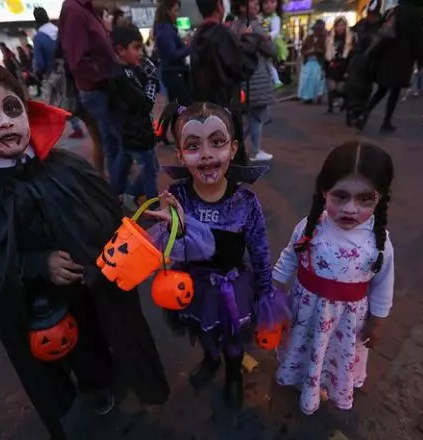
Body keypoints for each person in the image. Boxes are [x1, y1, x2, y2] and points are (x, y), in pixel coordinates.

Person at [0, 58, 169, 440]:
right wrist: (37, 263)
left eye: (11, 108)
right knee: (80, 348)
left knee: (110, 329)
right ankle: (95, 385)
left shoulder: (66, 165)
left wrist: (143, 216)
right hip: (53, 302)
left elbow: (105, 208)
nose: (5, 122)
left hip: (98, 280)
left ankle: (118, 370)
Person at [148, 102, 286, 409]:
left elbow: (260, 250)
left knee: (234, 341)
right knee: (205, 332)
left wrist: (265, 293)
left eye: (217, 142)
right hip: (193, 287)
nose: (207, 154)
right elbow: (165, 251)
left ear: (234, 148)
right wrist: (174, 228)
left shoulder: (245, 201)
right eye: (194, 146)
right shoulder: (179, 196)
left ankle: (233, 374)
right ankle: (211, 359)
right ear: (181, 155)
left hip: (233, 287)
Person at [275, 141, 395, 415]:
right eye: (340, 196)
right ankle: (300, 380)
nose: (350, 209)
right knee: (304, 347)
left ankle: (326, 383)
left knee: (333, 357)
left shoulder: (379, 243)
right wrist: (275, 293)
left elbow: (383, 286)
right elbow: (290, 257)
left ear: (380, 197)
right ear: (324, 191)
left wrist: (376, 323)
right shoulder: (310, 227)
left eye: (364, 199)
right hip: (304, 312)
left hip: (346, 323)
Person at [60, 0, 124, 189]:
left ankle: (116, 189)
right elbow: (78, 61)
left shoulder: (85, 11)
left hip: (101, 87)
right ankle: (118, 190)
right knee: (119, 142)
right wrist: (108, 75)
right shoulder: (74, 10)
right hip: (97, 89)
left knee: (111, 143)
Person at [109, 26, 160, 202]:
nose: (140, 52)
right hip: (136, 134)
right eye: (136, 48)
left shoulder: (130, 70)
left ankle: (127, 195)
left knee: (149, 168)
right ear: (120, 50)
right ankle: (154, 208)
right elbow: (145, 104)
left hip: (138, 132)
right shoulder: (119, 76)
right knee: (150, 172)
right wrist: (152, 81)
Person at [360, 0, 423, 133]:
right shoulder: (417, 13)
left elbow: (382, 31)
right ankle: (386, 121)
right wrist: (420, 60)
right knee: (394, 91)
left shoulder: (395, 10)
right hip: (403, 57)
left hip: (387, 54)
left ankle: (365, 113)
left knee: (381, 90)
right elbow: (417, 38)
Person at [232, 0, 277, 162]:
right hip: (257, 77)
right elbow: (272, 51)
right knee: (256, 116)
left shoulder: (235, 25)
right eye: (254, 3)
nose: (257, 6)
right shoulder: (255, 26)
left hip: (242, 78)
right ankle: (252, 151)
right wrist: (267, 39)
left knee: (249, 117)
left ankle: (240, 149)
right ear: (243, 6)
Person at [32, 6, 85, 139]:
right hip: (72, 69)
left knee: (60, 99)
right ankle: (84, 122)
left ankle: (73, 126)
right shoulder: (58, 30)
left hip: (54, 73)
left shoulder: (39, 38)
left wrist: (40, 73)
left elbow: (40, 62)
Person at [190, 0, 245, 107]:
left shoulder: (196, 36)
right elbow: (239, 69)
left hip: (203, 106)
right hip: (224, 104)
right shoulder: (221, 34)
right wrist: (246, 41)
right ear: (219, 6)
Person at [154, 0, 192, 106]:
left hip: (170, 73)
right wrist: (189, 48)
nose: (177, 14)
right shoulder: (167, 30)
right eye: (175, 11)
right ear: (167, 11)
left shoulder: (162, 28)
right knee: (182, 106)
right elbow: (173, 54)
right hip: (175, 74)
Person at [325, 16, 352, 114]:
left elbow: (351, 56)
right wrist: (327, 67)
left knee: (341, 89)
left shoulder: (349, 39)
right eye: (338, 26)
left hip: (344, 66)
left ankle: (346, 102)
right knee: (331, 87)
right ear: (335, 27)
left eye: (342, 25)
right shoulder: (331, 39)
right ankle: (330, 108)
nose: (340, 28)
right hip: (333, 65)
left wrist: (348, 70)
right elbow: (327, 54)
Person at [298, 20, 327, 104]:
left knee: (318, 80)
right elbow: (303, 50)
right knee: (306, 79)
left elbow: (325, 50)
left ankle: (318, 96)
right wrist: (307, 52)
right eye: (316, 29)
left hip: (318, 62)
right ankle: (307, 97)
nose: (317, 31)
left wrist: (316, 50)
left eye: (319, 29)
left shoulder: (324, 38)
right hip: (308, 61)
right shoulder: (308, 38)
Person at [260, 0, 285, 89]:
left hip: (271, 43)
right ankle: (273, 80)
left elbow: (276, 30)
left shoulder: (275, 18)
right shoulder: (261, 17)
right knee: (267, 63)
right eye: (265, 3)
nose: (268, 5)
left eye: (272, 2)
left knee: (268, 63)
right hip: (264, 42)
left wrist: (269, 36)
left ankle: (276, 80)